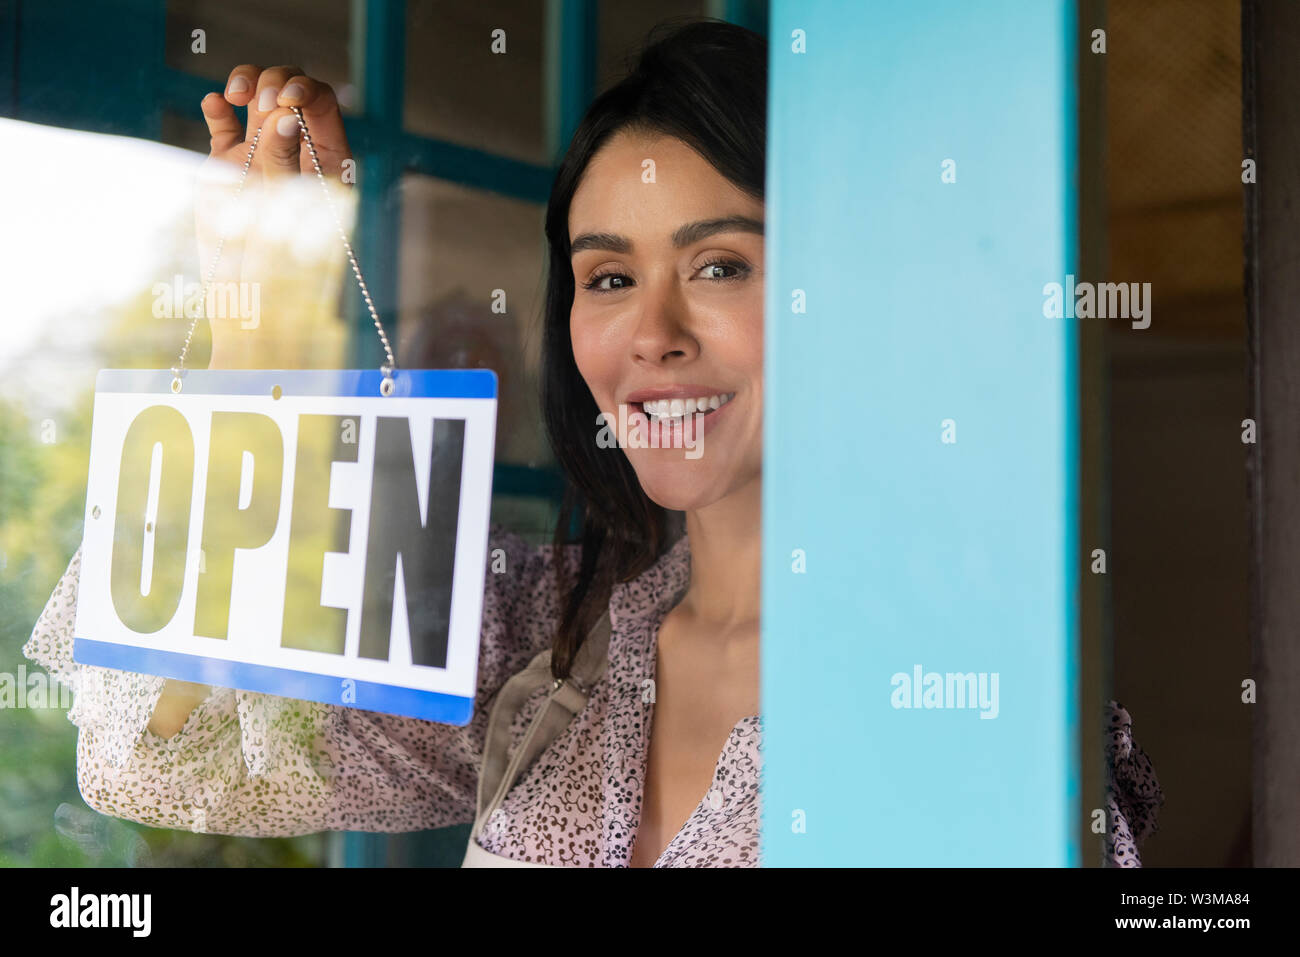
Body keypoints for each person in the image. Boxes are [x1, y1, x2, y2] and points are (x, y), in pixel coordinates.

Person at [23, 18, 1161, 867]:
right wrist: (256, 311)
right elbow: (157, 748)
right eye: (608, 277)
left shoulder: (973, 699)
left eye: (722, 266)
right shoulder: (550, 638)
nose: (652, 334)